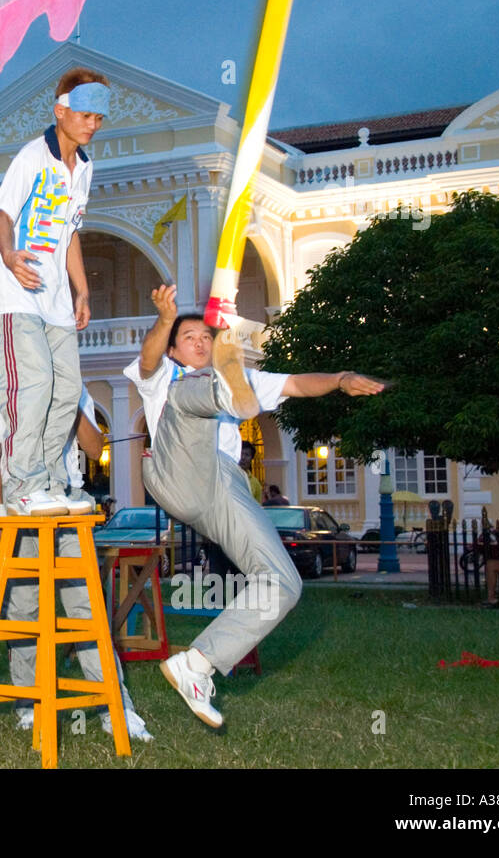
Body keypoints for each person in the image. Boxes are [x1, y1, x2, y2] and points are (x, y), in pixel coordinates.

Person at [125, 283, 385, 728]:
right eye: (190, 338)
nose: (201, 342)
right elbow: (149, 359)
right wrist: (165, 319)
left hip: (221, 489)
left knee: (284, 582)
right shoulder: (161, 375)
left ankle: (199, 665)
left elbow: (299, 383)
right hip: (176, 470)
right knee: (188, 395)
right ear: (174, 347)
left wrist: (340, 379)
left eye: (207, 338)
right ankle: (228, 399)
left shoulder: (234, 374)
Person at [0, 384, 152, 742]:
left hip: (69, 506)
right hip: (19, 505)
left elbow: (95, 447)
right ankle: (28, 705)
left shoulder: (74, 385)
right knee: (22, 613)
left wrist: (66, 398)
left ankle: (115, 707)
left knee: (87, 610)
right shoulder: (2, 382)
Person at [0, 68, 108, 516]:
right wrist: (9, 255)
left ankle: (52, 481)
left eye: (99, 118)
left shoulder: (85, 169)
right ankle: (21, 483)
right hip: (18, 296)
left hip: (57, 300)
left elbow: (71, 233)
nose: (92, 125)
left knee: (68, 390)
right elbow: (1, 215)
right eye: (85, 116)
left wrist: (82, 291)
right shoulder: (31, 157)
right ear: (61, 111)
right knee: (33, 384)